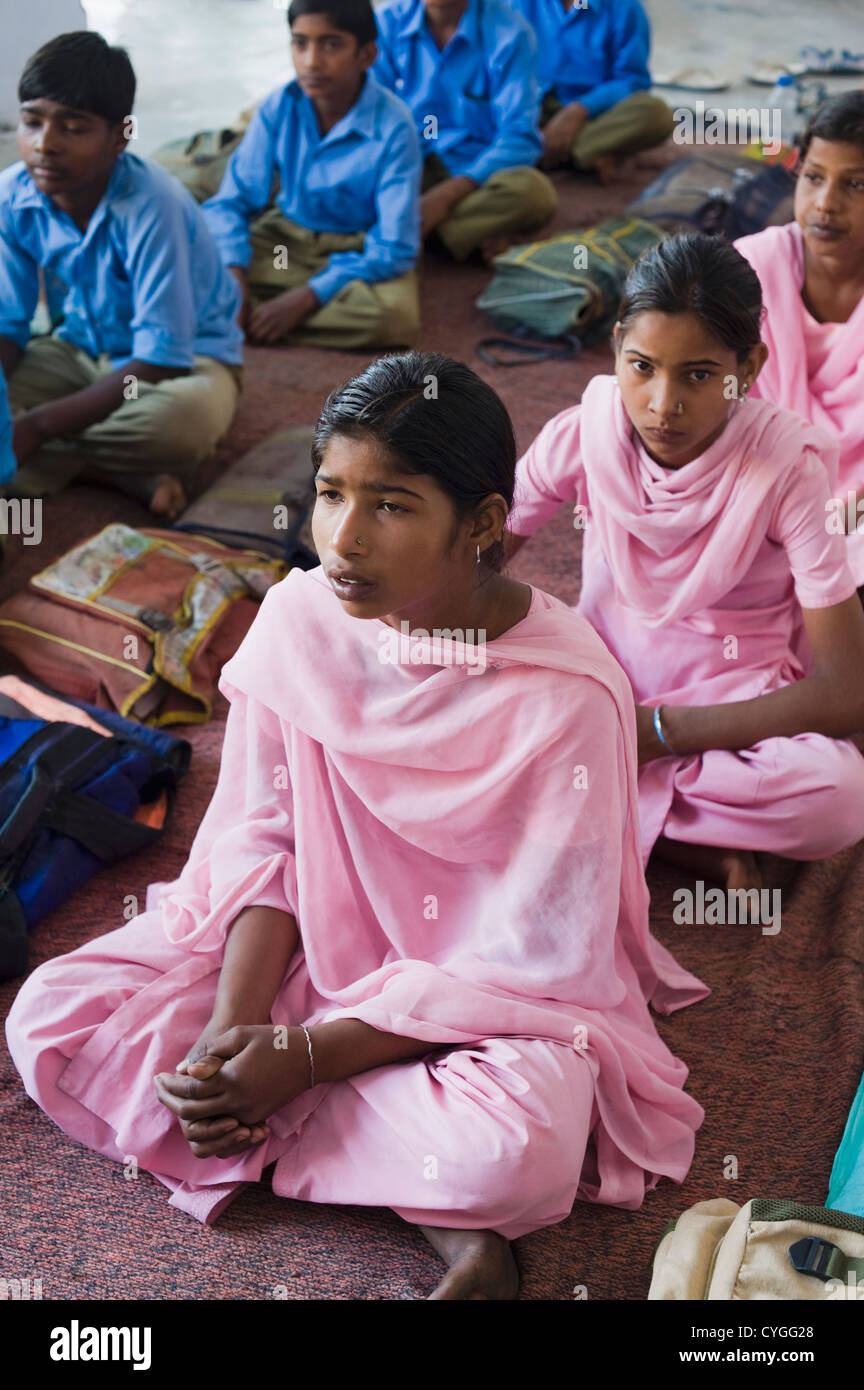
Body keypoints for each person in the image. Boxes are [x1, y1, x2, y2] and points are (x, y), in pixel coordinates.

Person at [6, 352, 707, 1301]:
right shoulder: (301, 618)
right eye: (331, 494)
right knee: (53, 1014)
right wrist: (234, 1029)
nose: (343, 539)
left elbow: (534, 962)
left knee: (518, 1150)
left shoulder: (571, 693)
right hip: (297, 961)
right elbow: (264, 846)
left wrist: (305, 1058)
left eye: (392, 505)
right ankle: (430, 1208)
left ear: (486, 523)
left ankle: (372, 1173)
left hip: (474, 1011)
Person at [508, 234, 864, 891]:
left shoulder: (787, 469)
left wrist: (664, 732)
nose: (662, 403)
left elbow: (846, 691)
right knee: (462, 696)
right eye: (642, 366)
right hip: (601, 681)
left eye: (697, 375)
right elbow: (475, 557)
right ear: (616, 346)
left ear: (749, 366)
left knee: (840, 797)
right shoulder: (585, 433)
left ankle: (612, 806)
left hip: (734, 699)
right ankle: (684, 842)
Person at [0, 31, 244, 521]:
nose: (45, 145)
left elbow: (161, 359)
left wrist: (36, 428)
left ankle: (42, 452)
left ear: (120, 137)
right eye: (31, 123)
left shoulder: (155, 204)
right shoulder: (12, 197)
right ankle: (115, 471)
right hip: (74, 350)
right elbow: (8, 327)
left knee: (180, 427)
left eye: (73, 128)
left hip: (179, 366)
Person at [202, 0, 422, 350]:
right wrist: (234, 275)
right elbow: (231, 202)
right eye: (300, 43)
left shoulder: (396, 126)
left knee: (394, 319)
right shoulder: (278, 107)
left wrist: (308, 297)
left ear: (366, 56)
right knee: (196, 269)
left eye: (331, 44)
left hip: (356, 250)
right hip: (283, 239)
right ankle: (257, 313)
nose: (311, 62)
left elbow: (395, 247)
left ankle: (249, 319)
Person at [735, 91, 864, 587]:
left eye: (854, 184)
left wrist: (829, 524)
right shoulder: (751, 268)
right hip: (755, 493)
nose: (826, 203)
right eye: (814, 177)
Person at [372, 0, 557, 262]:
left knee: (535, 194)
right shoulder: (385, 25)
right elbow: (373, 121)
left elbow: (520, 137)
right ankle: (462, 235)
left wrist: (449, 194)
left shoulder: (510, 33)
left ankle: (405, 232)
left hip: (475, 176)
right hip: (408, 166)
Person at [510, 0, 673, 182]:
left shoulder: (624, 8)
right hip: (530, 106)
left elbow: (632, 79)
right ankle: (583, 153)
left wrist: (580, 109)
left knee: (656, 114)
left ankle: (535, 153)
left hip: (594, 115)